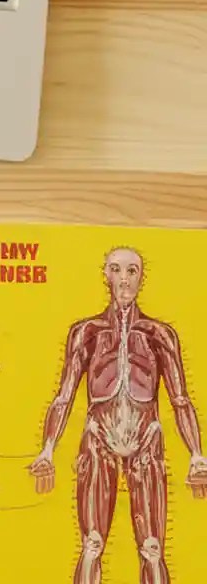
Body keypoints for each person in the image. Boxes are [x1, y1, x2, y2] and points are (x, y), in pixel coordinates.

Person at [30, 247, 207, 584]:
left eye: (131, 271)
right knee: (92, 544)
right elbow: (64, 396)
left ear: (141, 278)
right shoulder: (86, 333)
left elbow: (180, 399)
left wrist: (197, 454)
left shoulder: (160, 335)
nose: (124, 279)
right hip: (99, 439)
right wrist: (48, 449)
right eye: (116, 270)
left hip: (146, 441)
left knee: (152, 547)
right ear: (106, 276)